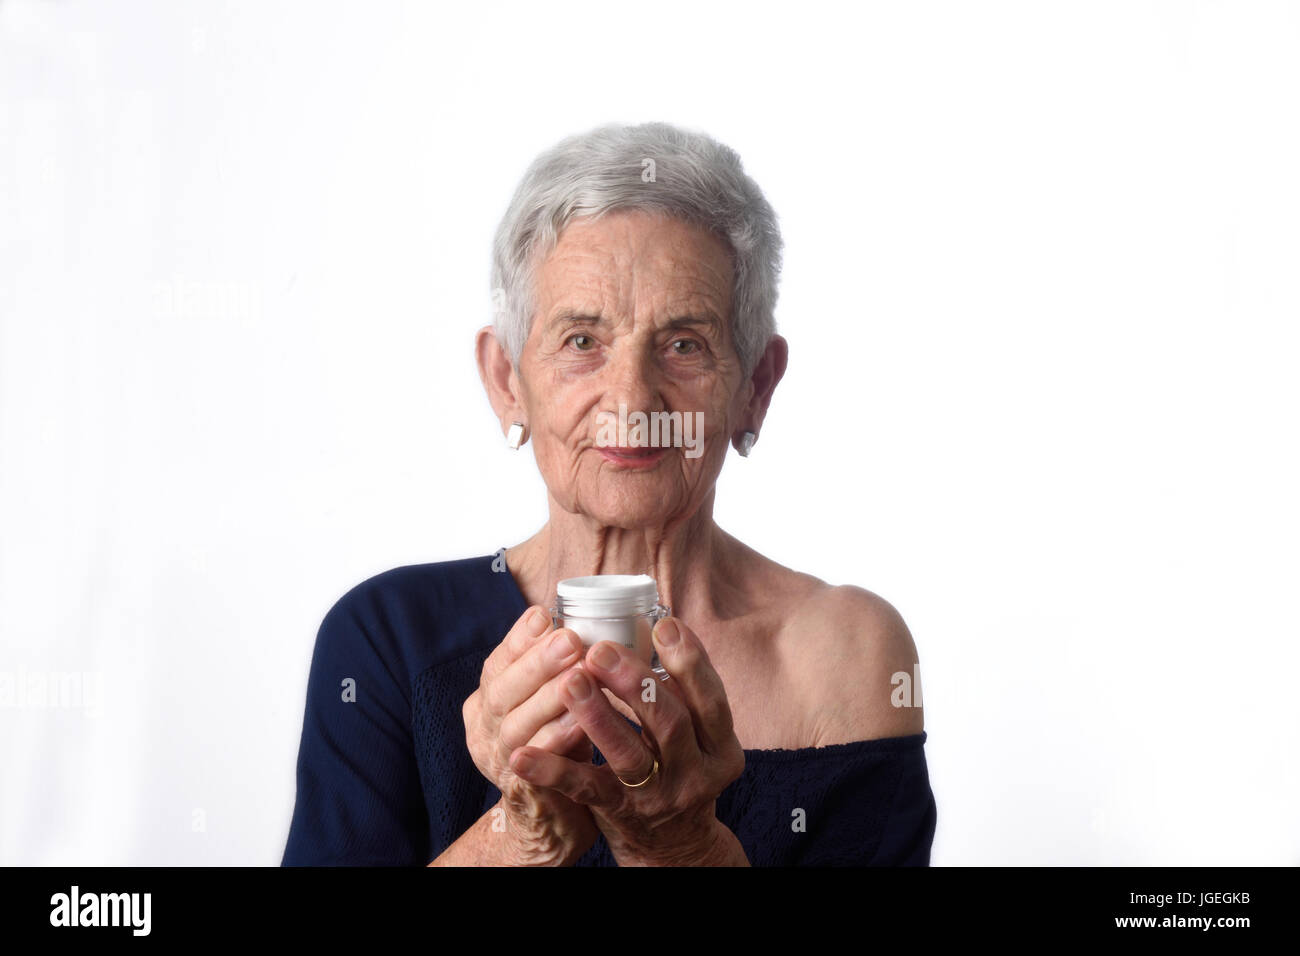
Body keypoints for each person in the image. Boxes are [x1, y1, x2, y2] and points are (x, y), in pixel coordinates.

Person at [281, 122, 937, 866]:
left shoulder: (845, 654)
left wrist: (686, 851)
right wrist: (520, 834)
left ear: (754, 386)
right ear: (507, 382)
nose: (630, 399)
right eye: (582, 341)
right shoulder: (387, 639)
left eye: (684, 343)